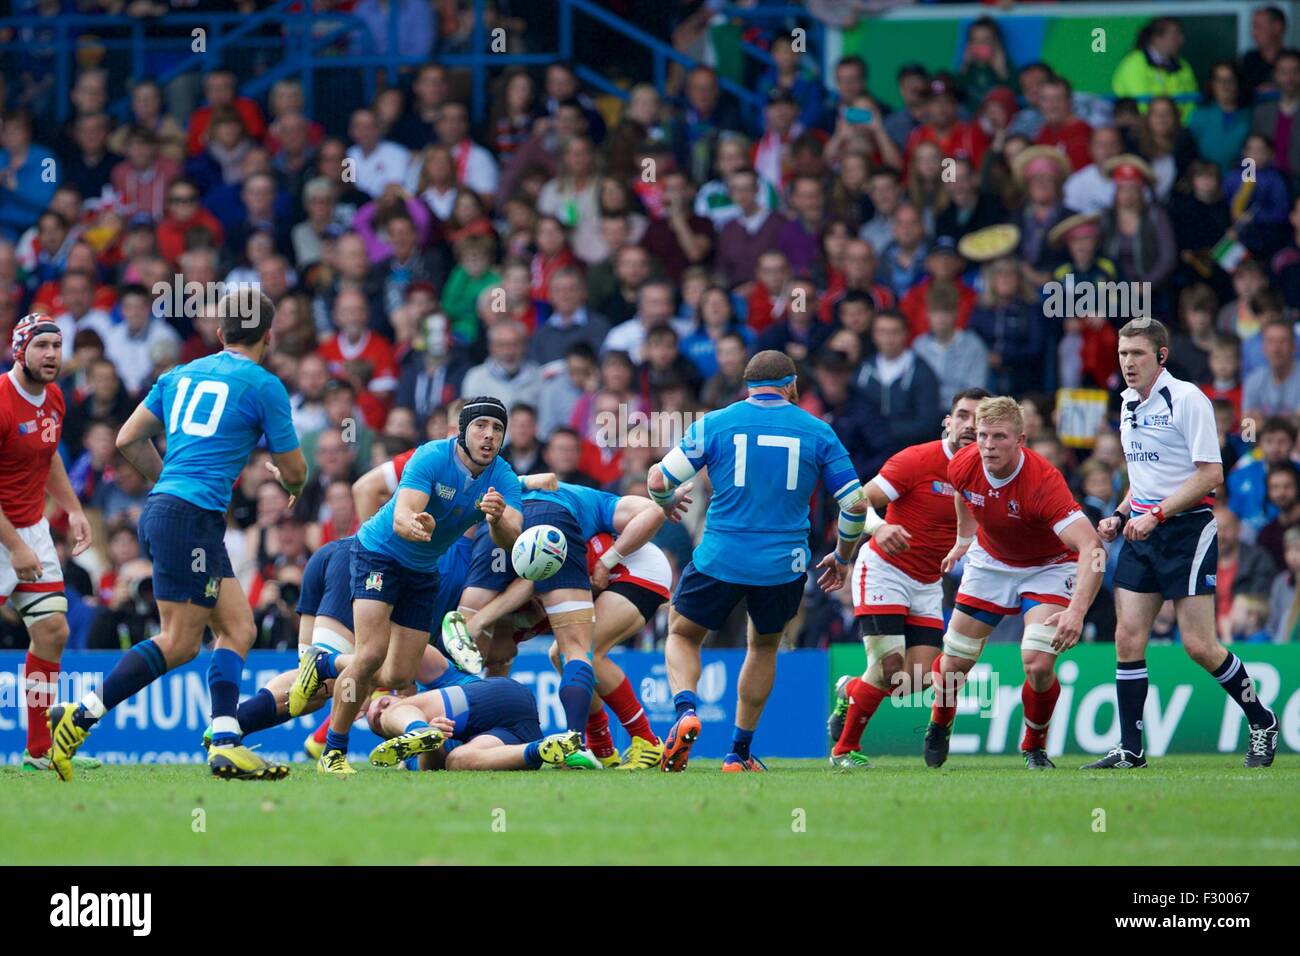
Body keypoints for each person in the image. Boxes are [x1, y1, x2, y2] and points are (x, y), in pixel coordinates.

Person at [49, 290, 308, 782]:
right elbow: (294, 467)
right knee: (180, 641)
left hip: (175, 512)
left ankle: (226, 739)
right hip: (190, 518)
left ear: (219, 334)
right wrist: (293, 484)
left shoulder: (178, 374)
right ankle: (81, 713)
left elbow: (127, 438)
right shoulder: (264, 384)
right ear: (268, 338)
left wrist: (170, 480)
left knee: (238, 628)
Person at [647, 350, 868, 772]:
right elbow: (855, 504)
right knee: (764, 644)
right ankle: (738, 752)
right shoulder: (819, 431)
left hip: (720, 557)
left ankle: (685, 710)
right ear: (791, 385)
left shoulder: (714, 422)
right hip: (782, 564)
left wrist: (666, 502)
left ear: (748, 385)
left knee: (682, 634)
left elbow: (658, 479)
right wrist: (842, 556)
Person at [296, 397, 523, 774]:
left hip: (423, 570)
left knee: (398, 676)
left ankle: (324, 663)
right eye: (481, 425)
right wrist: (416, 525)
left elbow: (512, 540)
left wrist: (498, 520)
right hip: (379, 554)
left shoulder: (502, 476)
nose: (489, 435)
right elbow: (402, 514)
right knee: (369, 656)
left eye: (497, 429)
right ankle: (333, 751)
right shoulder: (432, 456)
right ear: (463, 430)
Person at [1092, 319, 1278, 769]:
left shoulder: (1187, 398)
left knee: (1199, 646)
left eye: (1137, 354)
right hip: (1141, 529)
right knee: (1127, 637)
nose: (1128, 362)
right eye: (1122, 354)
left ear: (1161, 356)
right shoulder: (1126, 404)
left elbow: (1211, 475)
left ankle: (1261, 719)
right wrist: (1120, 514)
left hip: (1186, 530)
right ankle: (1131, 749)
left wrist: (1157, 515)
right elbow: (1144, 480)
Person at [925, 396, 1107, 770]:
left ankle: (1034, 745)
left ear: (1021, 440)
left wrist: (1077, 611)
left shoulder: (1043, 483)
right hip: (991, 562)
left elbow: (1092, 546)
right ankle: (940, 723)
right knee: (953, 665)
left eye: (1000, 437)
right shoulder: (964, 462)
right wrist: (963, 538)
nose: (989, 446)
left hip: (1049, 567)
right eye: (982, 436)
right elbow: (963, 494)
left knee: (1038, 664)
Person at [458, 481, 683, 766]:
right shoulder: (532, 516)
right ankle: (601, 749)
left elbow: (531, 580)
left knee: (588, 651)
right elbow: (498, 666)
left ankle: (646, 740)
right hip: (605, 570)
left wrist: (478, 622)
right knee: (562, 654)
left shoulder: (565, 513)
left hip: (637, 570)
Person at [826, 388, 988, 767]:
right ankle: (844, 751)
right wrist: (878, 528)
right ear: (947, 422)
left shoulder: (988, 472)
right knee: (888, 667)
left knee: (912, 681)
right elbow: (854, 503)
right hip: (884, 569)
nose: (970, 425)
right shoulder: (916, 460)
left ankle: (851, 690)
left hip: (928, 583)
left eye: (980, 420)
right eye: (963, 415)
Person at [0, 315, 98, 773]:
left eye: (57, 346)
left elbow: (49, 453)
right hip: (4, 532)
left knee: (53, 630)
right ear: (20, 350)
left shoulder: (55, 398)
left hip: (31, 528)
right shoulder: (1, 400)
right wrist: (16, 549)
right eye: (41, 346)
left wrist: (74, 508)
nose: (52, 355)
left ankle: (38, 750)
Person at [364, 678, 582, 772]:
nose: (382, 711)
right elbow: (432, 769)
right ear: (390, 737)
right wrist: (434, 738)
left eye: (385, 703)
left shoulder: (428, 691)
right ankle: (544, 748)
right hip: (515, 736)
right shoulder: (407, 755)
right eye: (378, 721)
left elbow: (425, 655)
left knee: (401, 713)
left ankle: (419, 728)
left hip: (493, 698)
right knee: (457, 761)